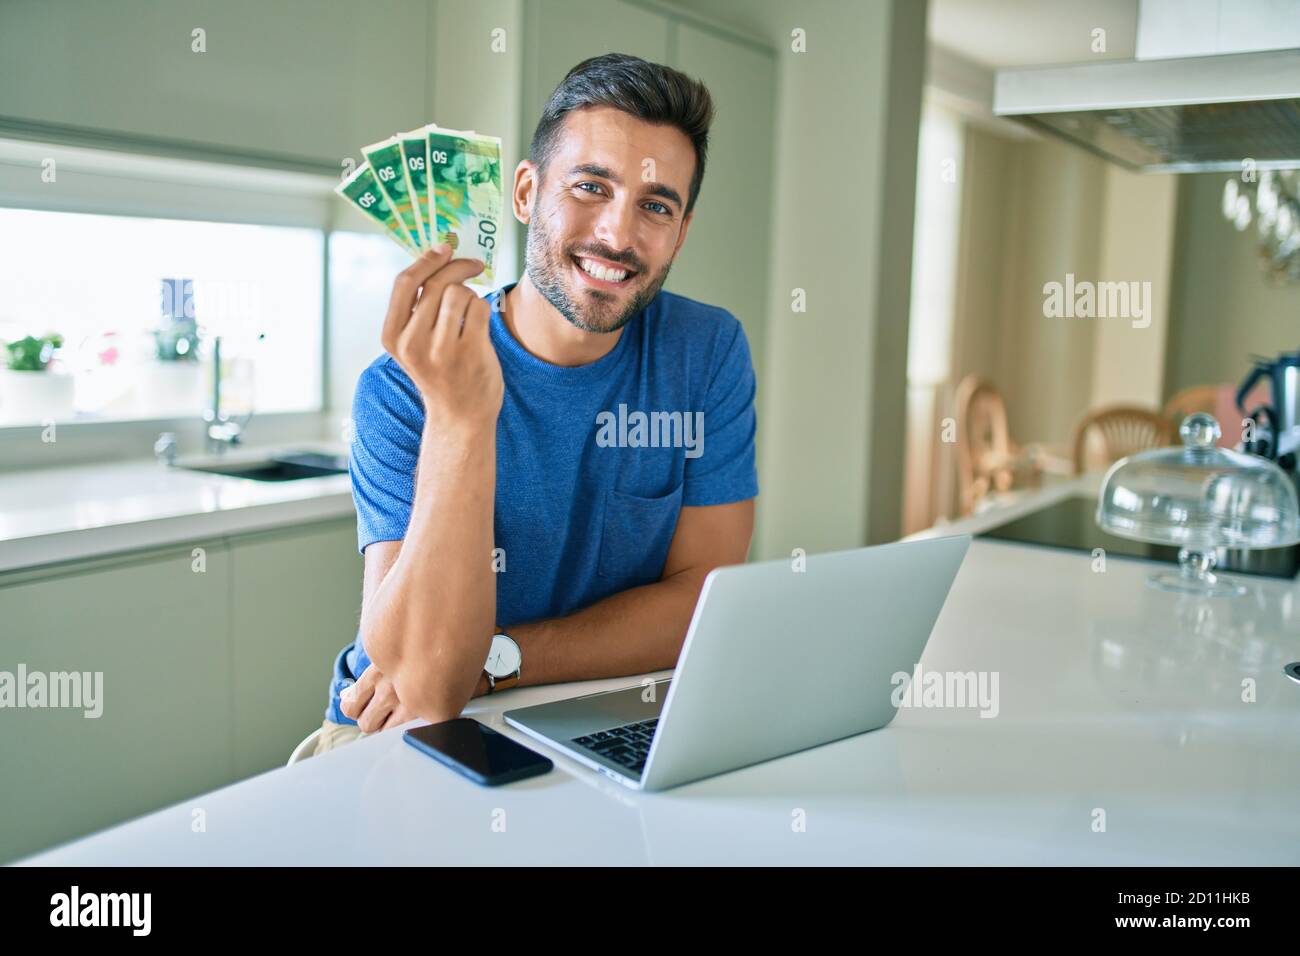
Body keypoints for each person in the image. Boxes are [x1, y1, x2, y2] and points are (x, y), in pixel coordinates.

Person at [315, 52, 758, 754]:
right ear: (526, 192)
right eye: (590, 187)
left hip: (598, 709)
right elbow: (426, 690)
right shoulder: (402, 387)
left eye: (655, 206)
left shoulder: (706, 353)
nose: (618, 235)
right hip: (396, 730)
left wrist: (497, 659)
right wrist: (462, 416)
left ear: (681, 231)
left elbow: (704, 601)